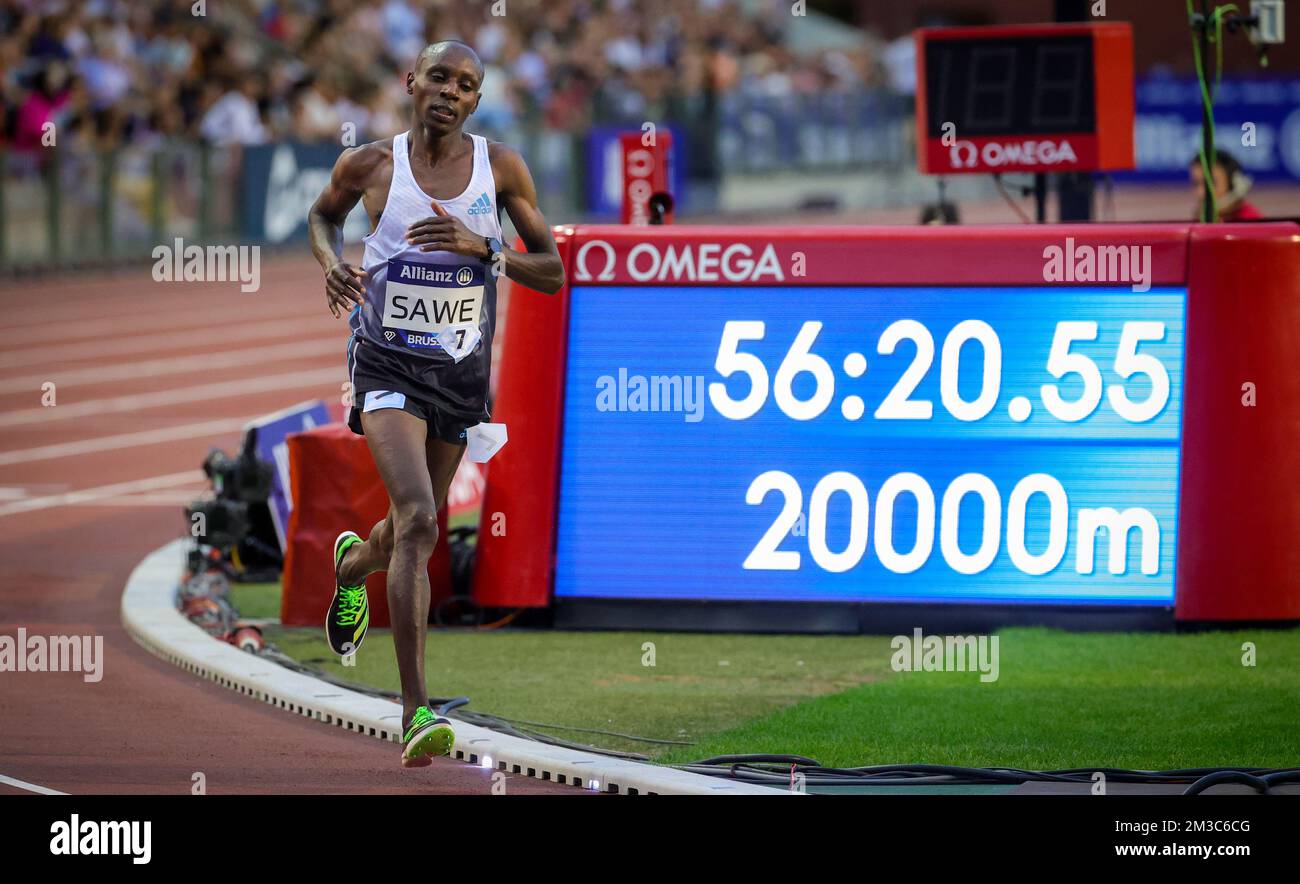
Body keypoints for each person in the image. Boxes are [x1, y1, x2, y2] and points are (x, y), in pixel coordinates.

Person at [307, 40, 565, 767]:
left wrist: (487, 249)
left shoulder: (501, 168)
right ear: (411, 82)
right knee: (420, 519)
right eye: (440, 77)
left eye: (467, 84)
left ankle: (353, 566)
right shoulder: (370, 165)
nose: (450, 91)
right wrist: (333, 266)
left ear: (477, 101)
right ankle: (416, 710)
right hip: (386, 362)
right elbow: (322, 217)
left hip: (459, 374)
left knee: (406, 530)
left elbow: (553, 273)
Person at [1189, 150, 1263, 222]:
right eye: (1196, 183)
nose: (1201, 192)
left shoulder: (1252, 222)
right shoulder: (1201, 220)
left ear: (1234, 186)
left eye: (1211, 184)